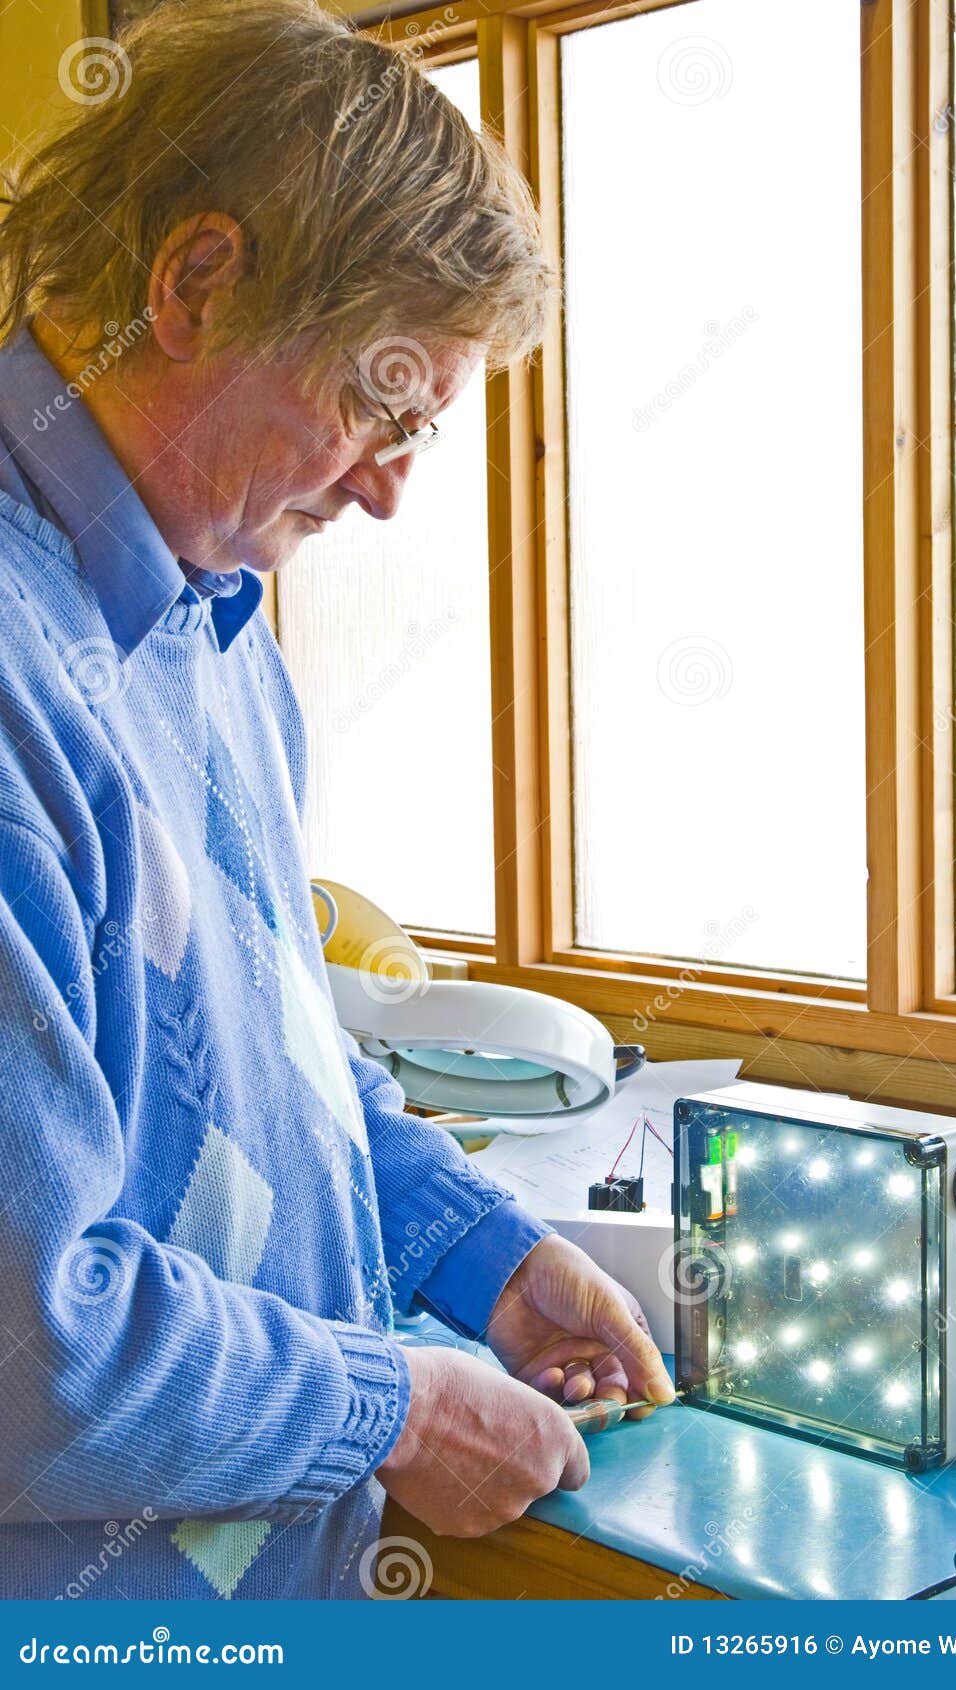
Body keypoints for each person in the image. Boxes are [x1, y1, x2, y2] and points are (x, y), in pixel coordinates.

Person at [0, 0, 672, 1601]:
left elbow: (257, 1081)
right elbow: (36, 1347)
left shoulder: (215, 624)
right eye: (385, 404)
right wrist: (394, 1404)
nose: (387, 481)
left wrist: (476, 1250)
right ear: (195, 284)